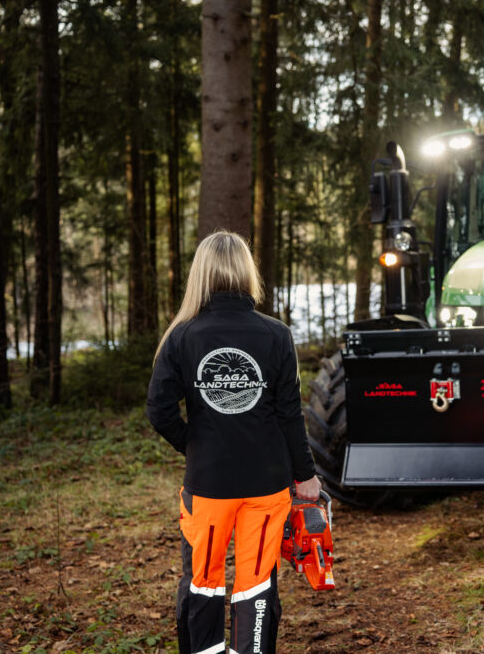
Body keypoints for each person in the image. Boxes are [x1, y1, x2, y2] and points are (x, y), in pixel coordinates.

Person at [147, 230, 320, 654]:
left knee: (202, 582)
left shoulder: (182, 334)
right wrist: (306, 476)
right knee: (256, 585)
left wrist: (197, 444)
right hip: (267, 485)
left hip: (208, 486)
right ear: (246, 271)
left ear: (199, 274)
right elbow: (288, 414)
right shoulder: (276, 334)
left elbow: (160, 410)